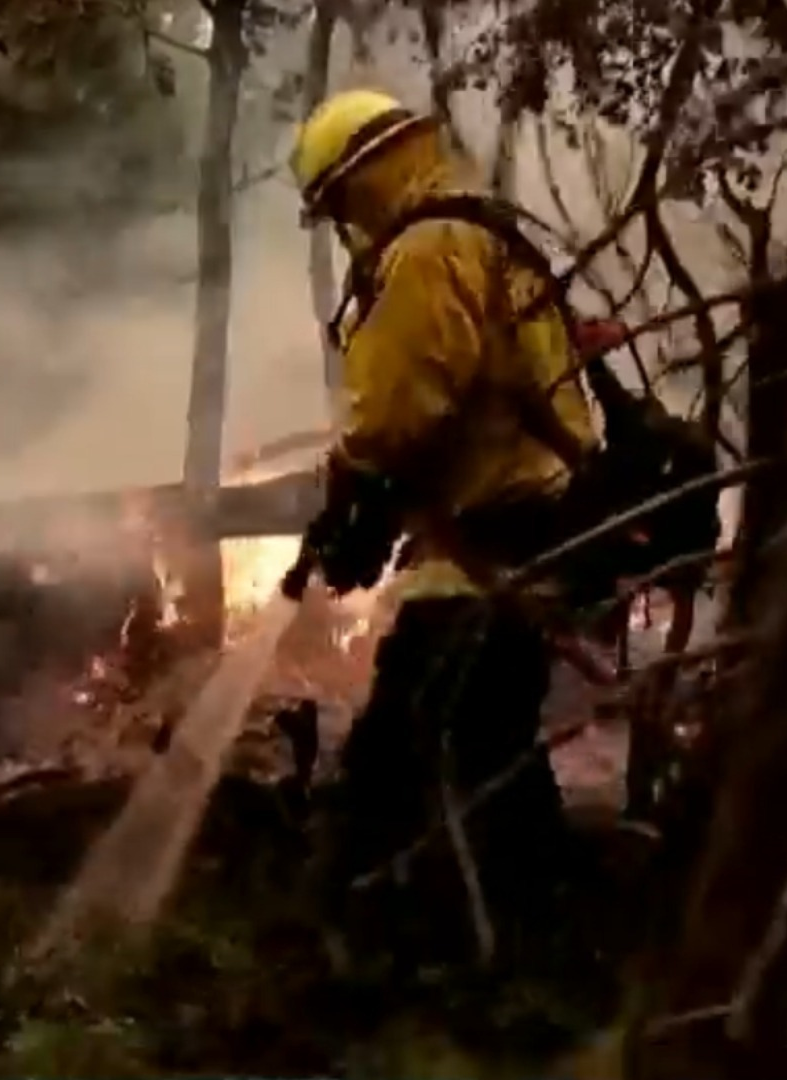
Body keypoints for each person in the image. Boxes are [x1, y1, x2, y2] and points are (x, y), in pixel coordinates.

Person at [280, 88, 612, 975]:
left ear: (361, 178)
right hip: (520, 529)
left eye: (337, 203)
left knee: (425, 742)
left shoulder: (427, 249)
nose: (342, 224)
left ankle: (434, 956)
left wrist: (353, 490)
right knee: (479, 742)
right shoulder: (481, 231)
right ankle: (520, 940)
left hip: (494, 539)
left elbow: (400, 410)